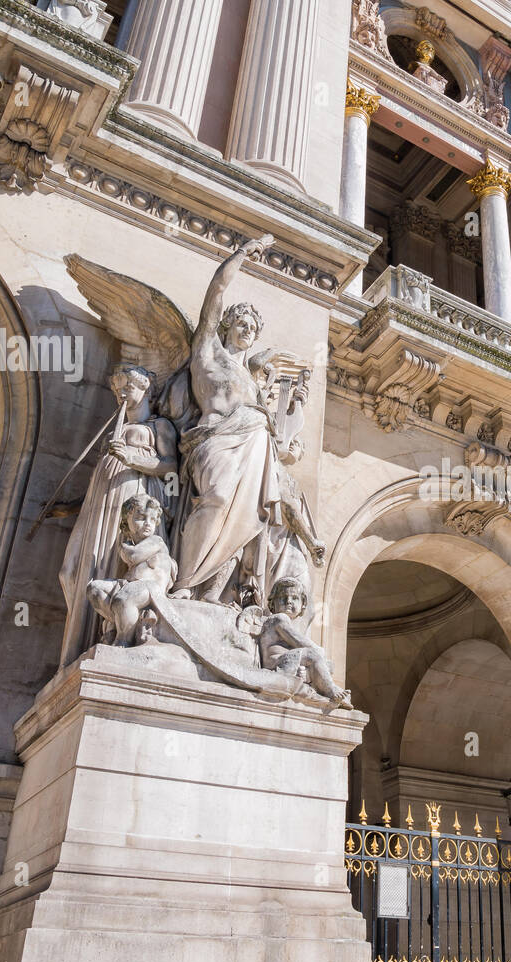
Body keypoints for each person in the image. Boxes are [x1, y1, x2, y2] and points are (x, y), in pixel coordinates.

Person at [168, 240, 283, 605]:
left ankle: (213, 596)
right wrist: (241, 255)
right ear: (228, 325)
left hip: (254, 443)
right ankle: (184, 581)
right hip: (214, 440)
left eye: (253, 327)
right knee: (216, 498)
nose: (247, 330)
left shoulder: (251, 379)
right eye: (241, 323)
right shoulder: (208, 352)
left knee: (246, 519)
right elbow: (215, 293)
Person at [58, 363, 177, 663]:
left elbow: (170, 466)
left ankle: (115, 635)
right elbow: (102, 478)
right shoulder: (115, 430)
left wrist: (132, 456)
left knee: (117, 564)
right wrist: (73, 506)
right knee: (70, 571)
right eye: (118, 387)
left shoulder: (158, 426)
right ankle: (77, 646)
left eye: (129, 386)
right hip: (100, 507)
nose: (122, 392)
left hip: (135, 499)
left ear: (146, 388)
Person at [237, 577, 350, 708]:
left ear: (303, 605)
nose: (288, 601)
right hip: (277, 663)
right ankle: (331, 690)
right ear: (272, 603)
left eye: (294, 598)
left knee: (321, 663)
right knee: (313, 654)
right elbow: (302, 643)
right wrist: (320, 653)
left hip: (287, 662)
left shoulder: (283, 621)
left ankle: (314, 679)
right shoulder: (279, 619)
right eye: (283, 597)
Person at [87, 494, 176, 646]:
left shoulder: (157, 541)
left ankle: (124, 641)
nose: (148, 524)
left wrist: (125, 548)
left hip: (151, 588)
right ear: (126, 520)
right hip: (131, 584)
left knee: (123, 600)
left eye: (153, 520)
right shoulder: (131, 543)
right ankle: (125, 624)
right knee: (94, 589)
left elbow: (134, 556)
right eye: (141, 518)